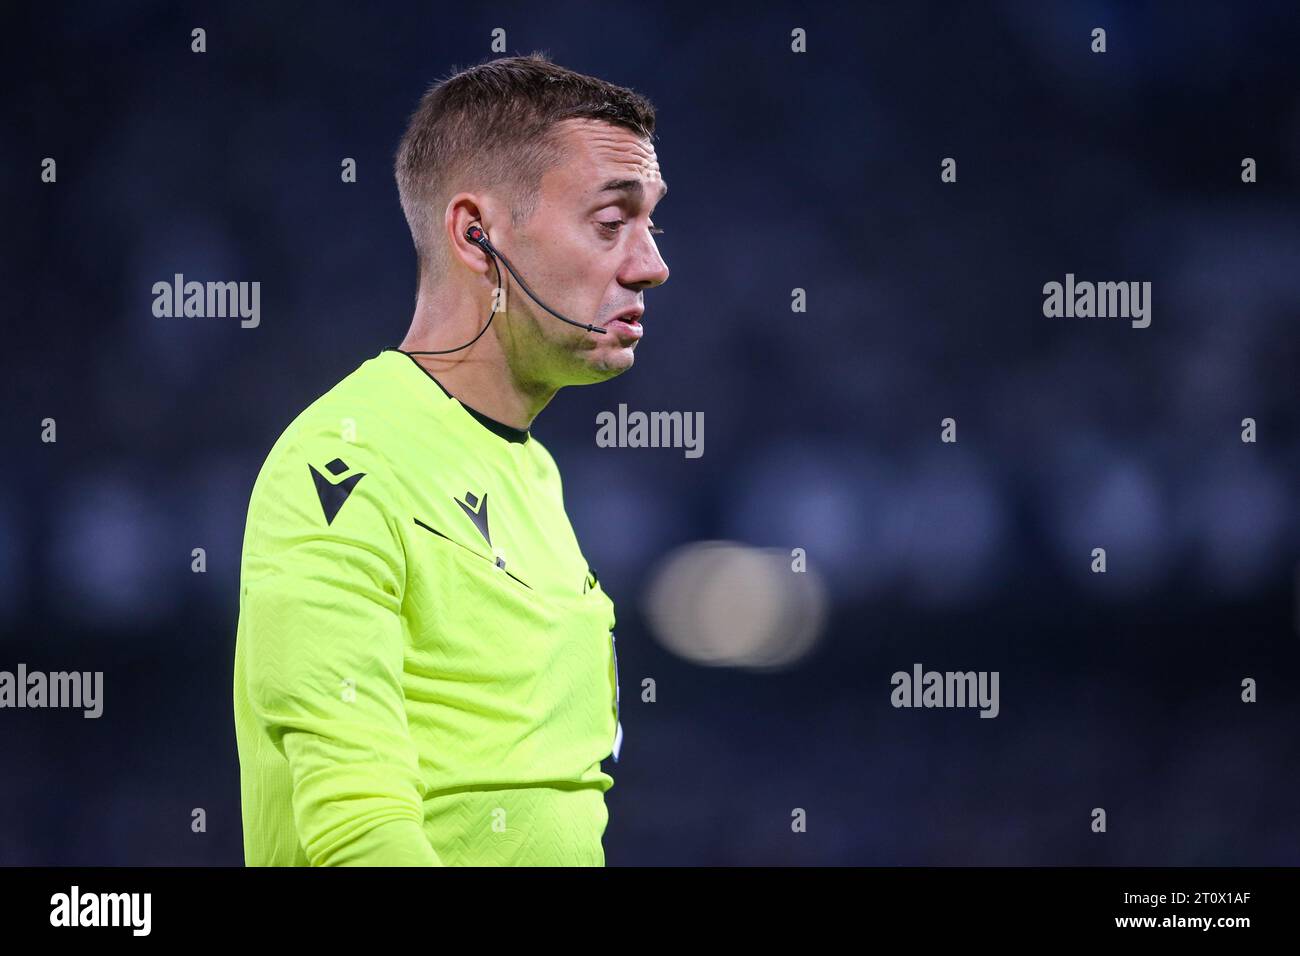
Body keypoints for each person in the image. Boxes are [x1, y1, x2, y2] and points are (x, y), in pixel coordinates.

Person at [232, 52, 670, 866]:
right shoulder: (340, 465)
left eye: (651, 225)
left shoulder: (531, 470)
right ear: (477, 235)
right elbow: (360, 830)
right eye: (612, 224)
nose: (651, 263)